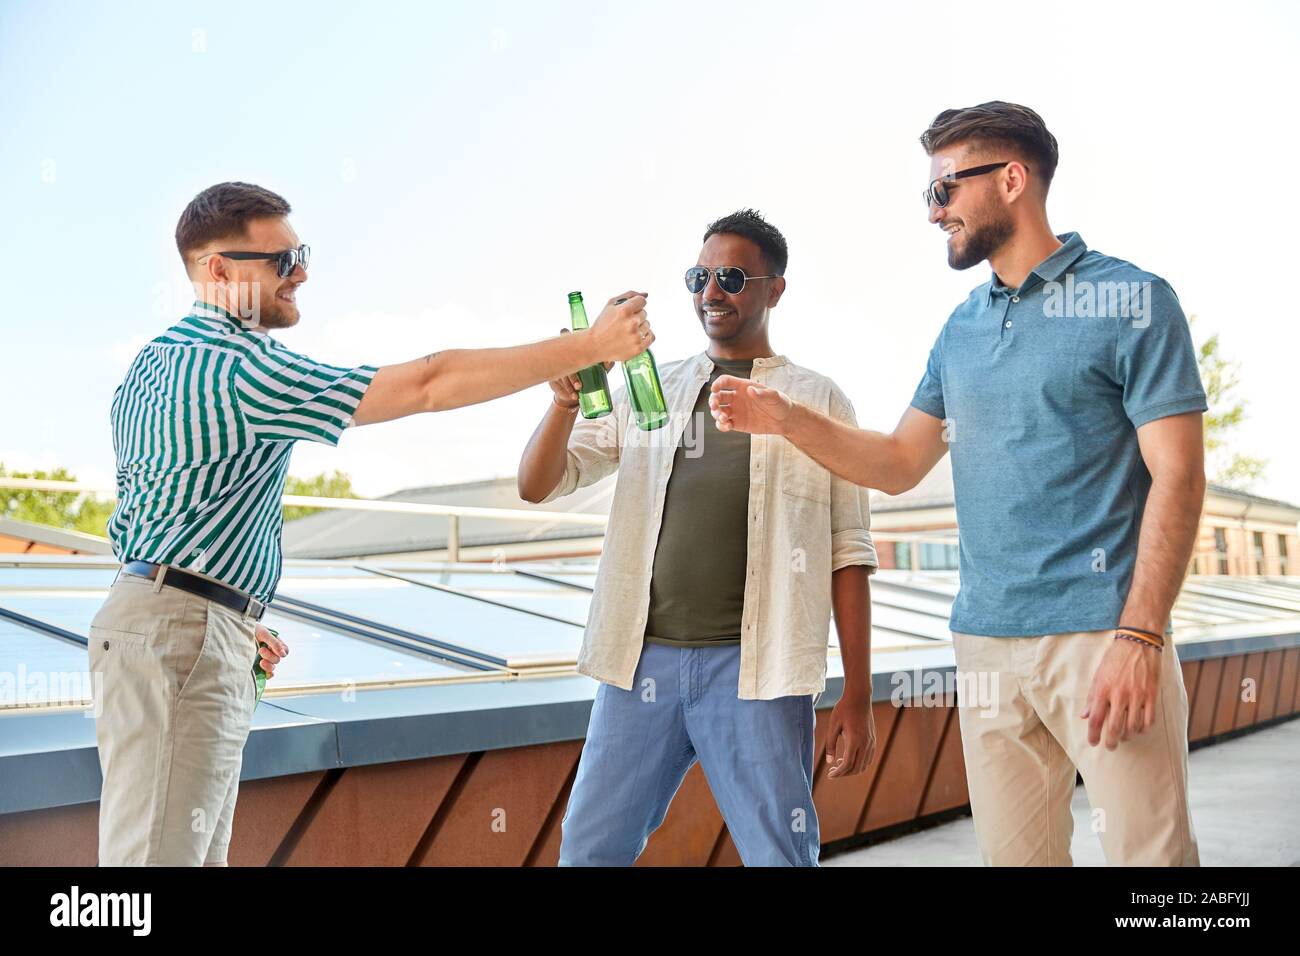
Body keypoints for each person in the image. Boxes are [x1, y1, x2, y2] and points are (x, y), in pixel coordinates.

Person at [91, 181, 652, 866]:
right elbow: (428, 383)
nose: (301, 272)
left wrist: (223, 611)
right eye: (282, 259)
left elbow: (158, 507)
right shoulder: (238, 366)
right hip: (182, 638)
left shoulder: (150, 364)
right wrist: (586, 347)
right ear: (218, 271)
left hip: (169, 625)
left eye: (302, 253)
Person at [710, 104, 1205, 866]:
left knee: (1152, 866)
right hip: (985, 645)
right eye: (928, 194)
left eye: (946, 189)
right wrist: (784, 419)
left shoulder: (1133, 302)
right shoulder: (961, 328)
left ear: (1012, 180)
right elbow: (900, 463)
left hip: (1102, 635)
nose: (934, 211)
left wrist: (1140, 636)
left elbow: (1179, 474)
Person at [518, 209, 879, 866]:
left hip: (756, 671)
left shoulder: (817, 401)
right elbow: (538, 484)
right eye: (700, 276)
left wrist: (858, 693)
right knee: (588, 850)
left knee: (780, 854)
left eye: (733, 277)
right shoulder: (650, 390)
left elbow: (848, 553)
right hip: (640, 665)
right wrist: (564, 403)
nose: (712, 292)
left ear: (776, 288)